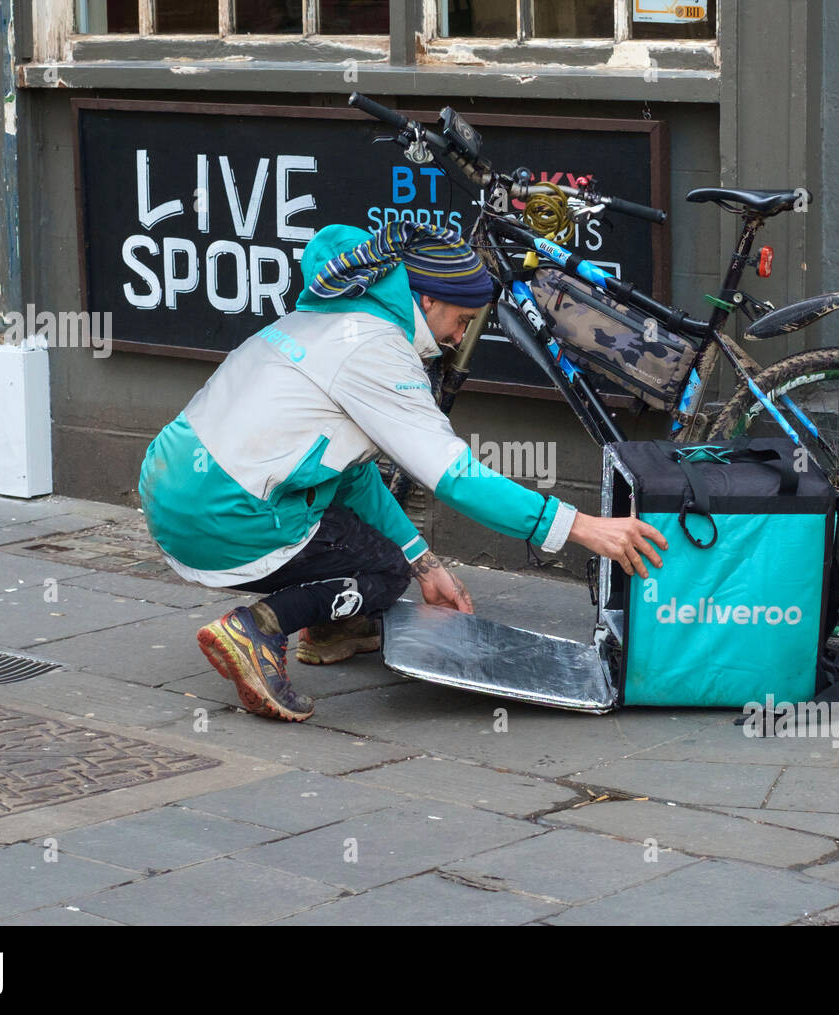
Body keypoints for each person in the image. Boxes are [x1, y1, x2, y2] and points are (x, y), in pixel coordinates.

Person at [138, 222, 666, 722]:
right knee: (386, 572)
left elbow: (349, 475)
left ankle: (328, 629)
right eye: (461, 321)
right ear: (427, 300)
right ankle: (257, 630)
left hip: (171, 490)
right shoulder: (377, 350)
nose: (460, 339)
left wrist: (427, 563)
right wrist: (583, 527)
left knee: (382, 547)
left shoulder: (330, 318)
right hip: (223, 517)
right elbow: (454, 476)